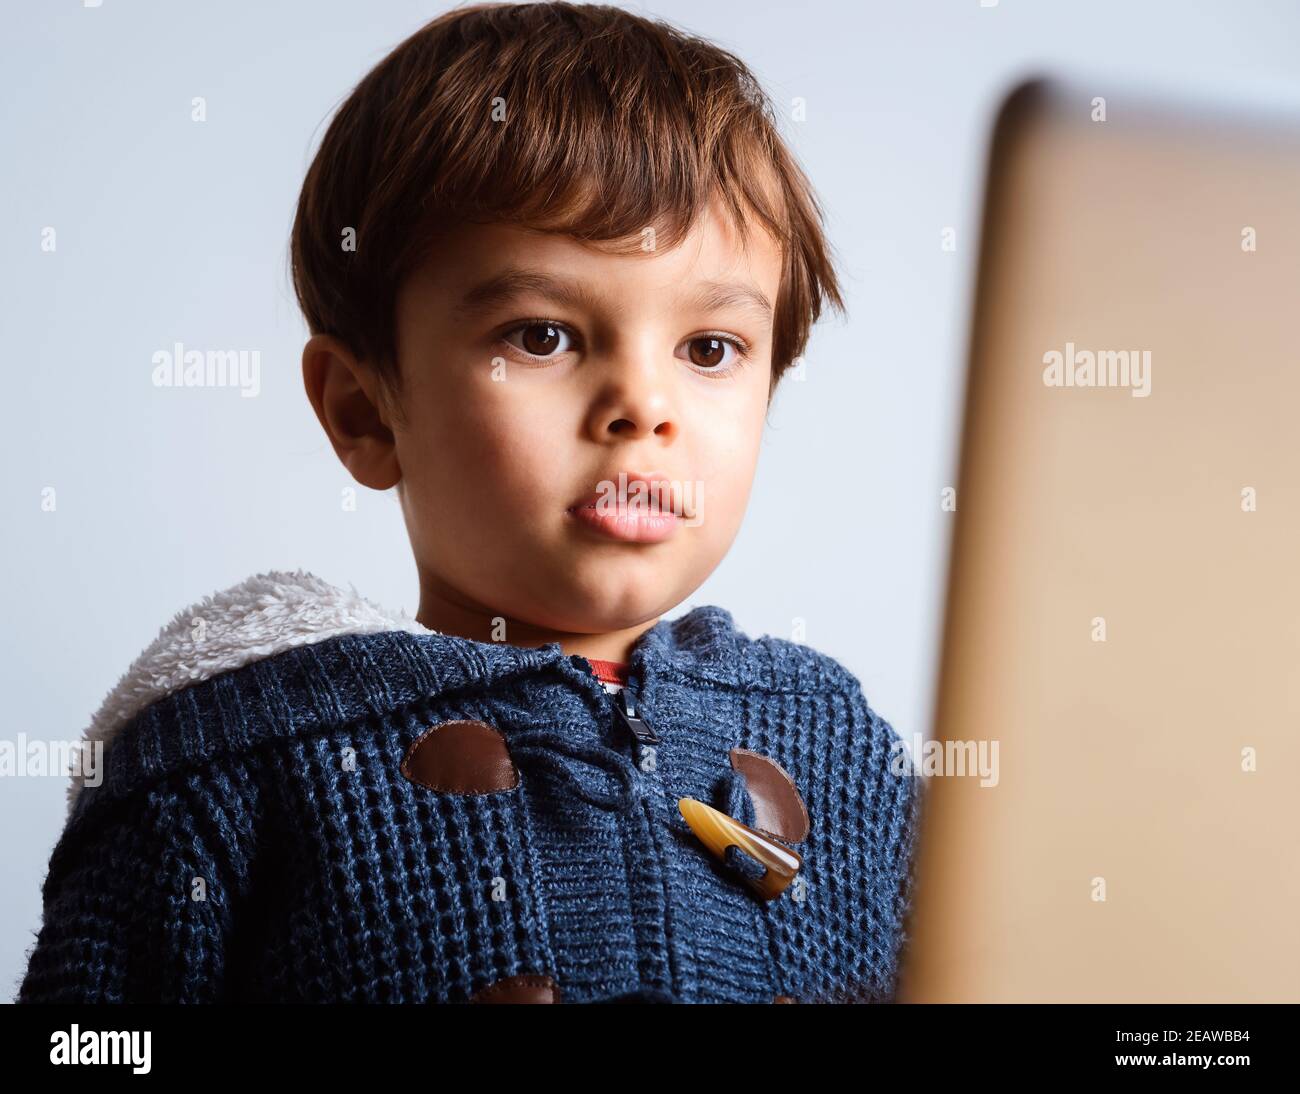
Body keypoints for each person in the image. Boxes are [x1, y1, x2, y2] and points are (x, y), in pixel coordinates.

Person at [17, 1, 921, 1004]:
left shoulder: (840, 749)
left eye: (708, 349)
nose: (641, 407)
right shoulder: (235, 766)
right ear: (365, 411)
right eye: (542, 336)